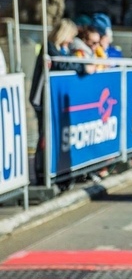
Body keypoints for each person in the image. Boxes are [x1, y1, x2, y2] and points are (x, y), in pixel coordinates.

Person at [29, 18, 95, 185]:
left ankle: (56, 173)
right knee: (45, 136)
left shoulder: (61, 48)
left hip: (54, 99)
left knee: (55, 135)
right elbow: (61, 65)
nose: (72, 40)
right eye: (70, 36)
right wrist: (82, 68)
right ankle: (42, 174)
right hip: (43, 99)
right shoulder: (50, 48)